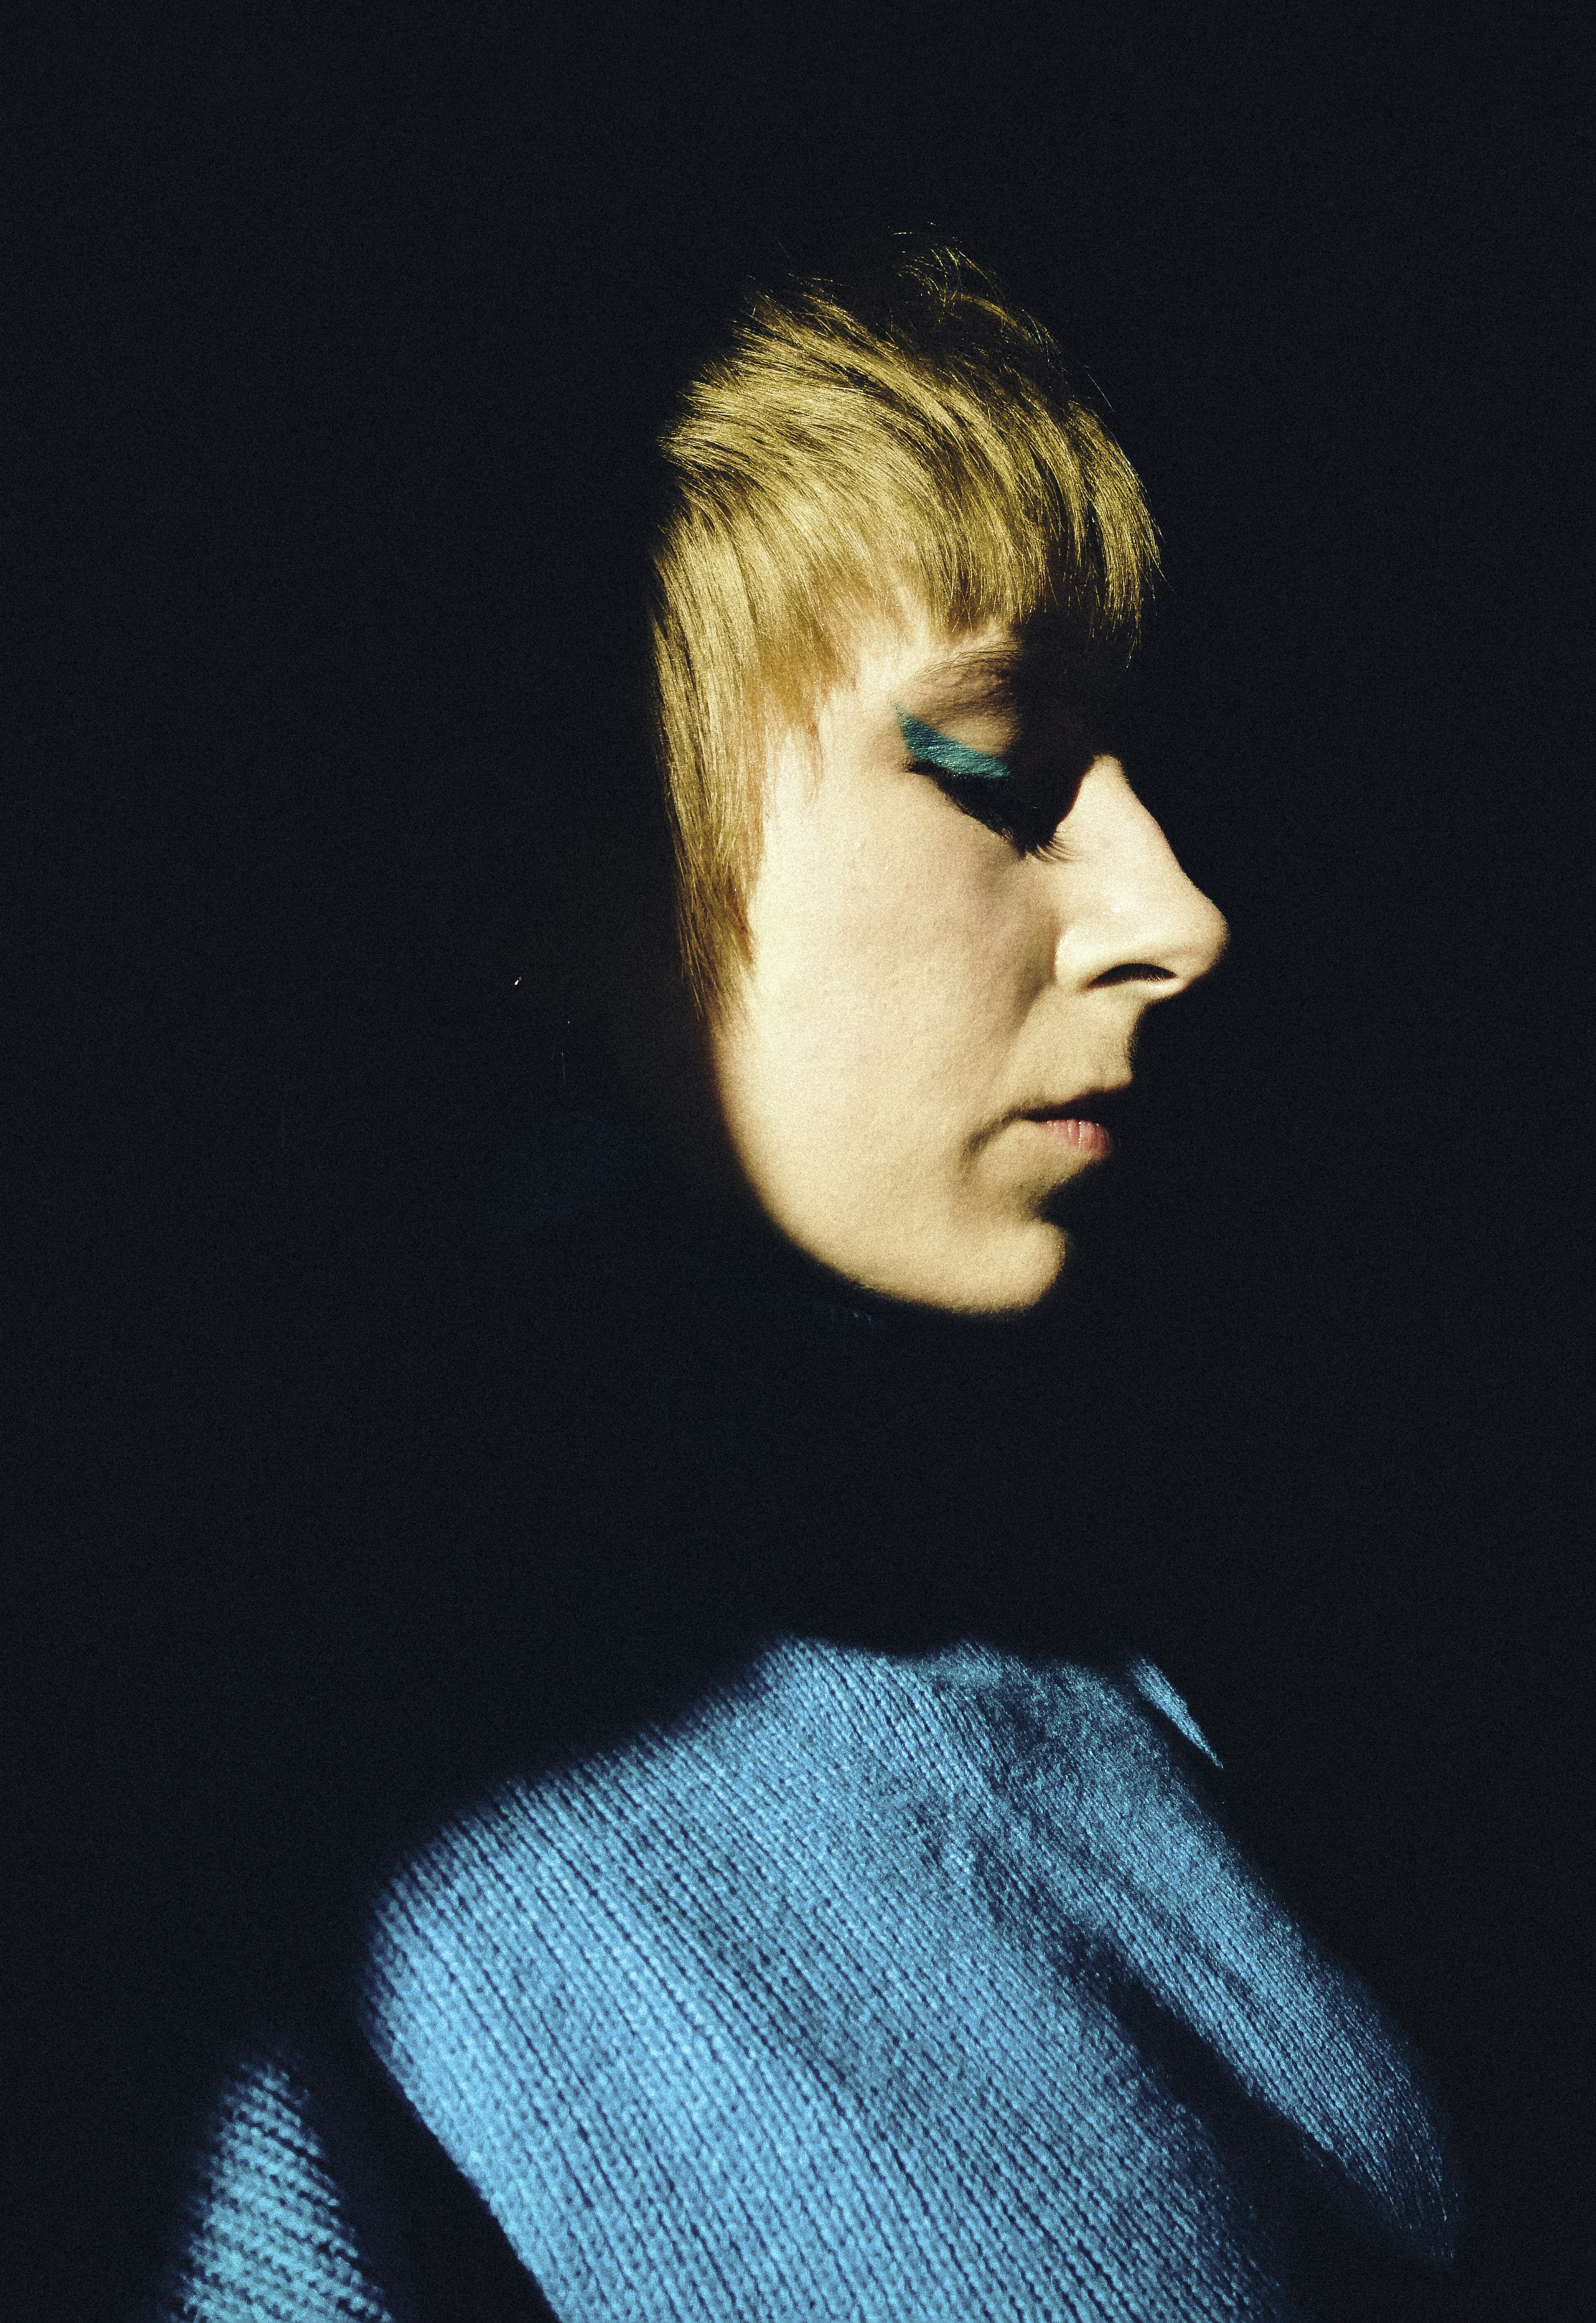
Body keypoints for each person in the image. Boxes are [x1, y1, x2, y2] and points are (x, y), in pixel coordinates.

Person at [150, 243, 1465, 2318]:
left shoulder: (1050, 1585)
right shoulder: (253, 1809)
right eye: (993, 767)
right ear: (531, 893)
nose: (1177, 910)